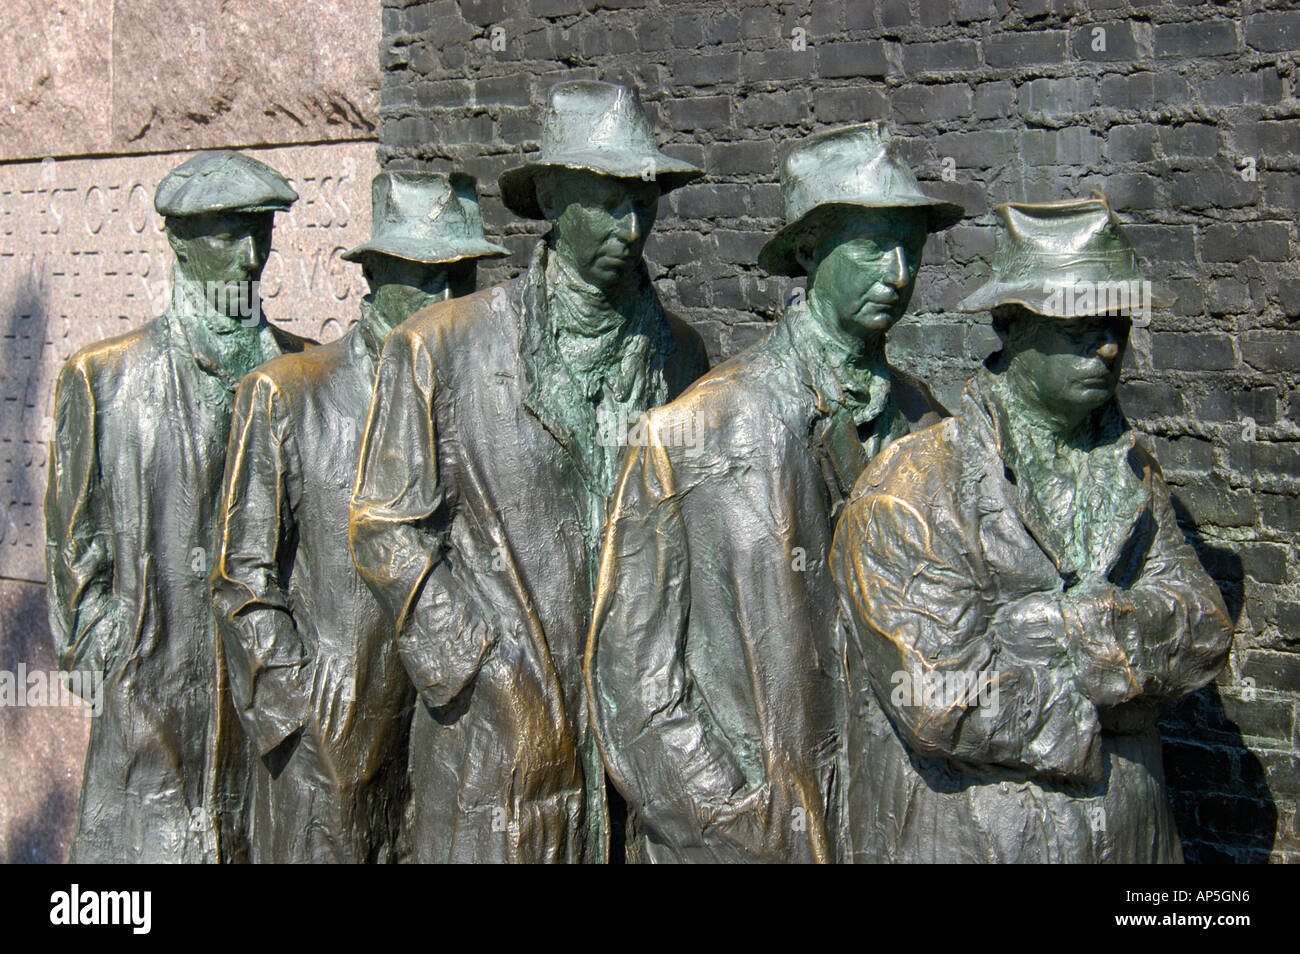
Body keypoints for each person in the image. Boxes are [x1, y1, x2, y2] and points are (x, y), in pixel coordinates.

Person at [348, 81, 709, 862]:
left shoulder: (683, 354)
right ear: (549, 193)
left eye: (643, 199)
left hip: (638, 747)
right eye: (606, 197)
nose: (630, 221)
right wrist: (484, 664)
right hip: (497, 748)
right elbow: (382, 526)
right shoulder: (442, 347)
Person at [585, 123, 960, 862]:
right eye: (872, 244)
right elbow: (632, 672)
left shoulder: (931, 428)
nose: (898, 270)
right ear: (808, 250)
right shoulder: (698, 429)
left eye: (912, 246)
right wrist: (730, 816)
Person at [830, 195, 1233, 863]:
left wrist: (1069, 632)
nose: (1107, 346)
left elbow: (1204, 628)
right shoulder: (915, 486)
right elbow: (940, 702)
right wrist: (1127, 696)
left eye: (1117, 323)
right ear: (1011, 326)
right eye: (1079, 326)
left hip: (1133, 834)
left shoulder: (1132, 471)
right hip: (986, 839)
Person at [210, 171, 507, 862]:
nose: (447, 300)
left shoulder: (476, 397)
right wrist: (295, 718)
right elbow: (240, 577)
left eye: (460, 278)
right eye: (426, 278)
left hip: (449, 737)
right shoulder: (289, 394)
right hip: (329, 744)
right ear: (373, 274)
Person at [45, 150, 313, 862]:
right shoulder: (103, 380)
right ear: (180, 241)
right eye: (229, 232)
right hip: (149, 725)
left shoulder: (305, 374)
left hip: (272, 732)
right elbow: (73, 558)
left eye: (261, 231)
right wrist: (117, 661)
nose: (252, 254)